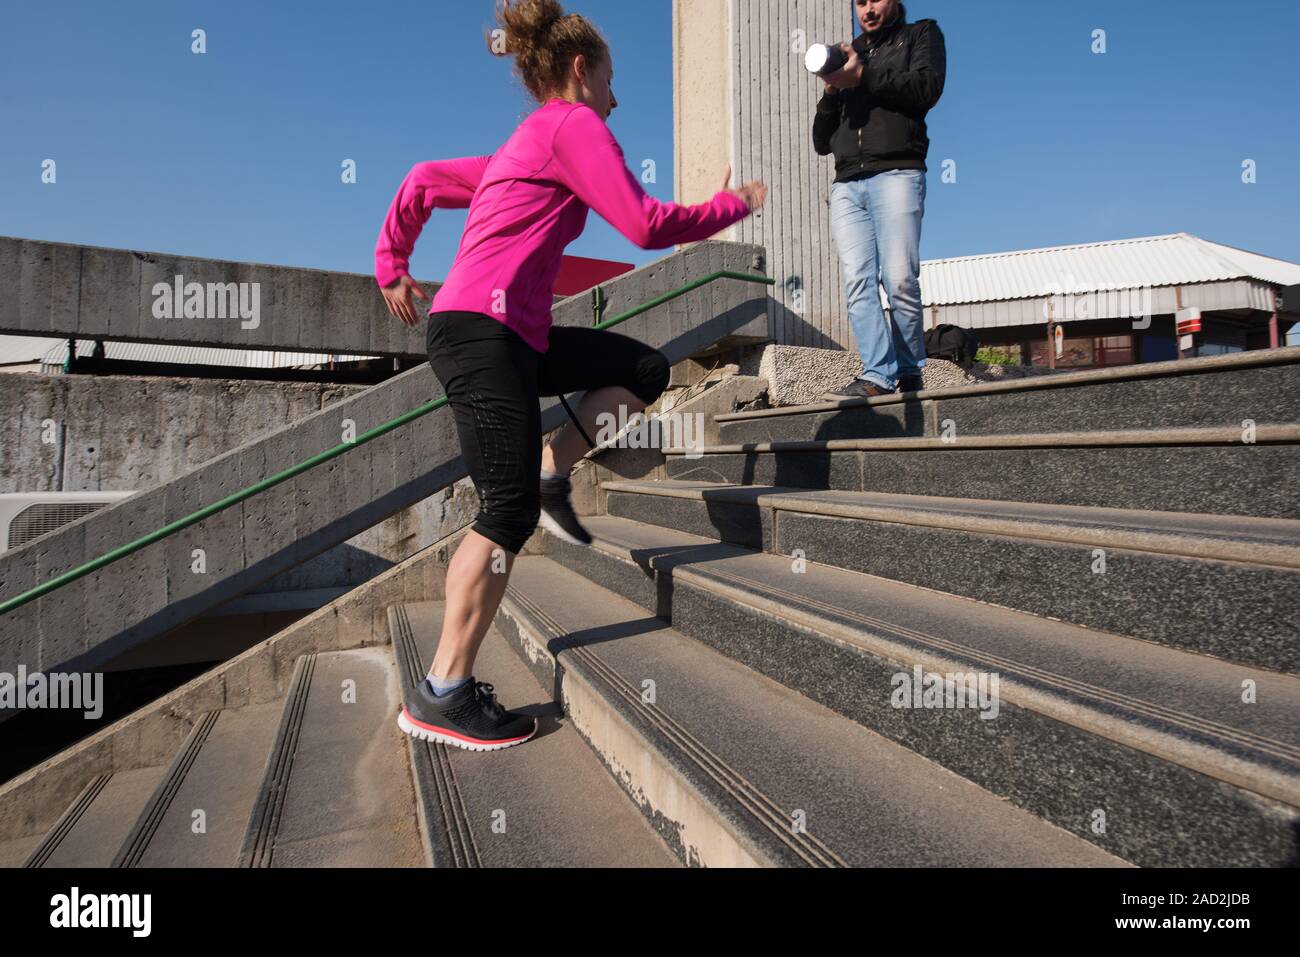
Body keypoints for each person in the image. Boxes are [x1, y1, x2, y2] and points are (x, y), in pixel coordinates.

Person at [375, 0, 767, 751]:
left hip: (512, 335)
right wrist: (728, 207)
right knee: (505, 513)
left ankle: (556, 467)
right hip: (480, 335)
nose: (617, 101)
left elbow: (423, 179)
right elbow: (646, 225)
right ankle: (443, 691)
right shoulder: (572, 126)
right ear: (580, 71)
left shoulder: (521, 147)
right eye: (612, 82)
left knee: (643, 366)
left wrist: (394, 262)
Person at [813, 0, 946, 399]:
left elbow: (927, 89)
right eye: (860, 2)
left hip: (898, 172)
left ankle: (909, 372)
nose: (867, 9)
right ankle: (876, 375)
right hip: (847, 183)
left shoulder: (920, 34)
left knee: (900, 278)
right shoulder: (850, 52)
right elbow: (822, 142)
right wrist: (833, 90)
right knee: (857, 281)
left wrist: (865, 75)